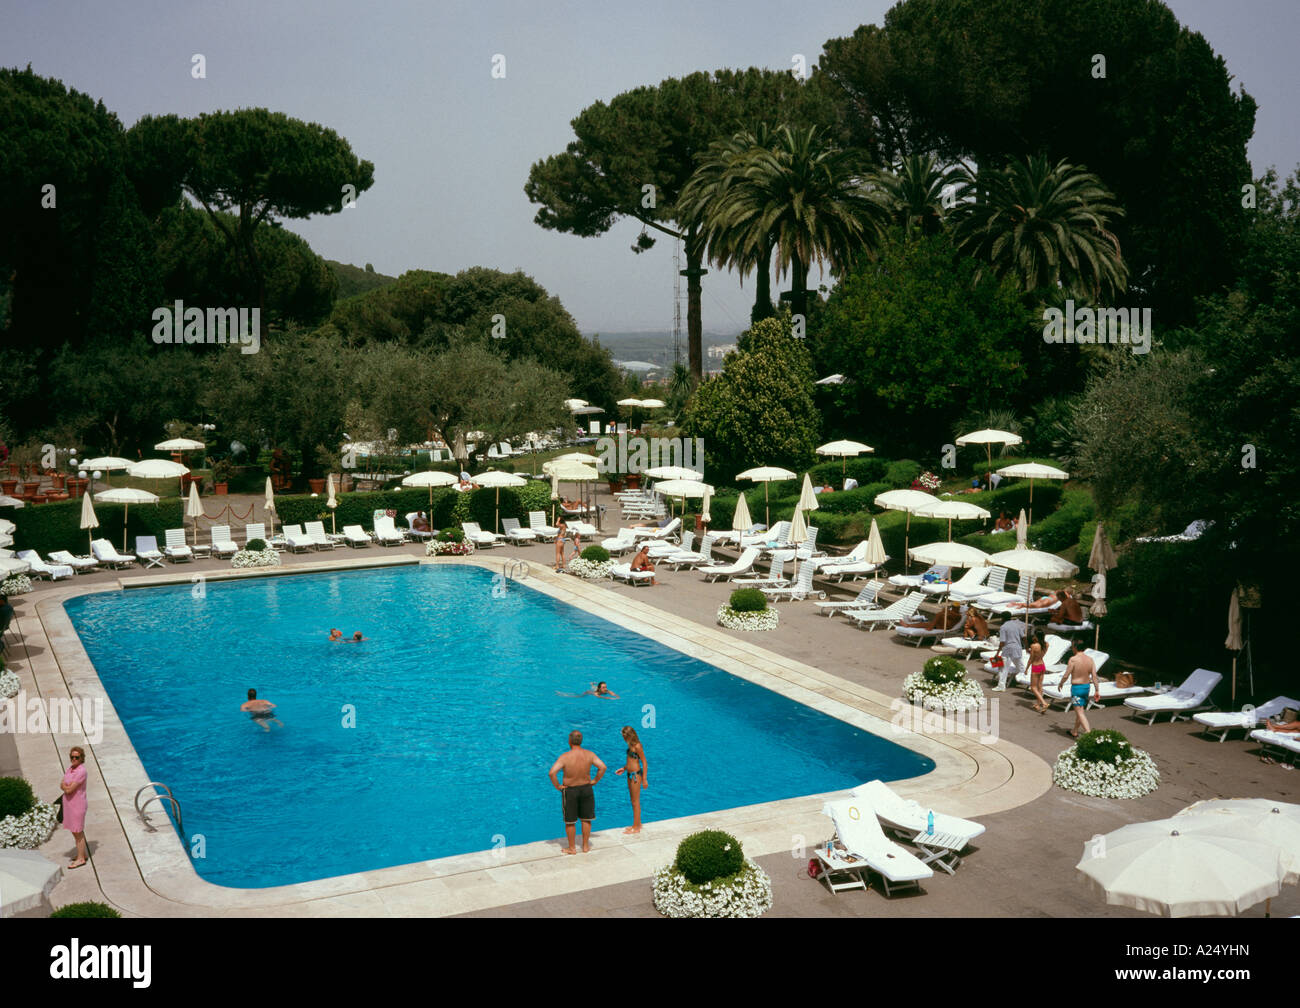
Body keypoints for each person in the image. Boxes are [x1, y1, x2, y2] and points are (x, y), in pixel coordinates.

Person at [548, 730, 606, 854]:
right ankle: (585, 846)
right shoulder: (590, 754)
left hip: (570, 791)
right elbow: (602, 767)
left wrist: (558, 786)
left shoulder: (565, 757)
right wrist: (595, 780)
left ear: (569, 741)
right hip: (586, 789)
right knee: (586, 819)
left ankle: (572, 848)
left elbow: (552, 773)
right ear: (581, 741)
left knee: (570, 822)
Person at [1056, 638, 1101, 737]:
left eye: (1072, 646)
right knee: (1080, 710)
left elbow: (1066, 675)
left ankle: (1089, 734)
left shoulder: (1073, 659)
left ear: (1075, 647)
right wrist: (1097, 690)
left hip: (1077, 689)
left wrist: (1061, 683)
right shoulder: (1090, 660)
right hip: (1086, 688)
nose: (1072, 648)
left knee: (1080, 713)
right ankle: (1074, 731)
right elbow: (1094, 676)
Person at [614, 725, 648, 834]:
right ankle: (638, 824)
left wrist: (644, 779)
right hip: (629, 774)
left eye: (625, 736)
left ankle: (636, 827)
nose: (623, 738)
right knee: (633, 800)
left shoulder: (637, 746)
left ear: (630, 735)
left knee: (635, 801)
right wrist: (623, 768)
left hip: (635, 775)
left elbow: (644, 762)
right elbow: (630, 760)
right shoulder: (630, 746)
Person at [60, 746, 89, 869]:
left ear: (81, 758)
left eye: (77, 757)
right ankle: (82, 854)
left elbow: (70, 788)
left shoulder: (81, 771)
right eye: (72, 757)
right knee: (75, 831)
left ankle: (81, 859)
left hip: (77, 805)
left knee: (77, 832)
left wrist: (66, 787)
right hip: (69, 805)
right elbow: (62, 783)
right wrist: (66, 787)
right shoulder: (70, 769)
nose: (74, 759)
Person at [992, 619, 1027, 691]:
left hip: (1008, 649)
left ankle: (1001, 686)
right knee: (1021, 666)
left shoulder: (1003, 627)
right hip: (1017, 648)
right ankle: (1026, 679)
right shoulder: (1017, 625)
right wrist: (1027, 647)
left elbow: (1002, 641)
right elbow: (1024, 637)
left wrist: (997, 653)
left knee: (1003, 668)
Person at [1027, 633, 1049, 712]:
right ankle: (1038, 705)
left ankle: (1044, 703)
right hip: (1042, 665)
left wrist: (1026, 669)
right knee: (1040, 686)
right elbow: (1041, 655)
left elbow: (1031, 659)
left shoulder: (1034, 646)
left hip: (1036, 666)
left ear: (1037, 636)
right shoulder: (1046, 644)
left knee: (1033, 687)